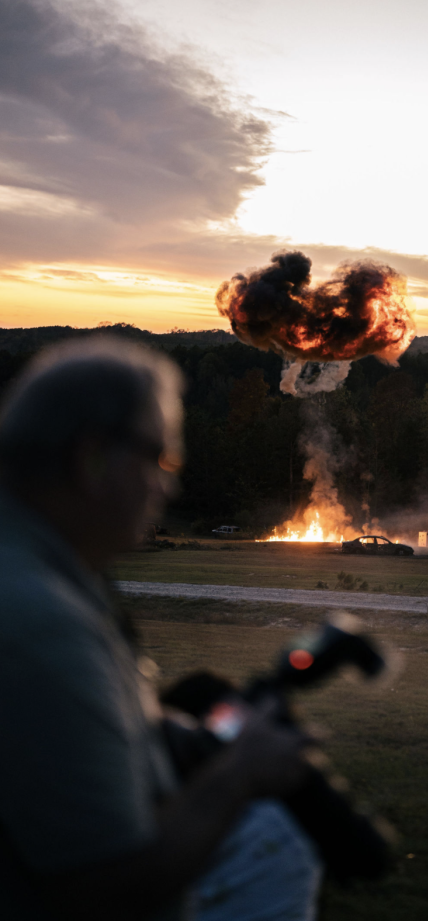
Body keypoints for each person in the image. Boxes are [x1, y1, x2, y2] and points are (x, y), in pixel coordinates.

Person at [0, 338, 309, 921]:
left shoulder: (42, 567)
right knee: (276, 845)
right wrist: (238, 775)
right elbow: (101, 891)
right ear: (91, 458)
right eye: (160, 460)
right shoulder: (41, 624)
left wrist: (160, 733)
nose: (169, 488)